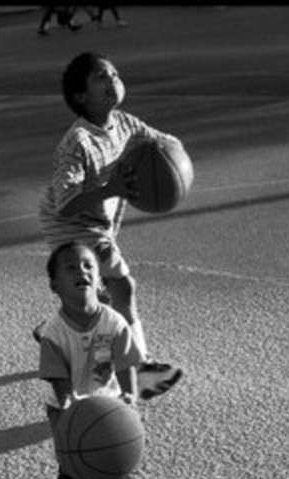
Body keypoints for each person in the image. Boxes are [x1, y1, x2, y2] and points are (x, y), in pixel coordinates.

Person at [37, 52, 184, 401]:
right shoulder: (77, 144)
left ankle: (55, 331)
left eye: (115, 74)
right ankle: (143, 369)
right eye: (101, 76)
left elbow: (162, 143)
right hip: (69, 223)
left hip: (99, 223)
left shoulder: (126, 123)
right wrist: (112, 189)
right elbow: (65, 202)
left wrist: (176, 160)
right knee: (122, 287)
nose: (112, 80)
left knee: (98, 293)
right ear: (80, 96)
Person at [37, 242, 142, 479]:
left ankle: (115, 472)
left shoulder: (114, 322)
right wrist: (69, 402)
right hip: (66, 403)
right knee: (73, 448)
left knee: (114, 440)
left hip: (107, 398)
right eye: (70, 268)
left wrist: (129, 393)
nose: (81, 271)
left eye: (88, 266)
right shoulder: (54, 332)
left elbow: (124, 362)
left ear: (99, 280)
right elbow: (57, 375)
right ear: (54, 286)